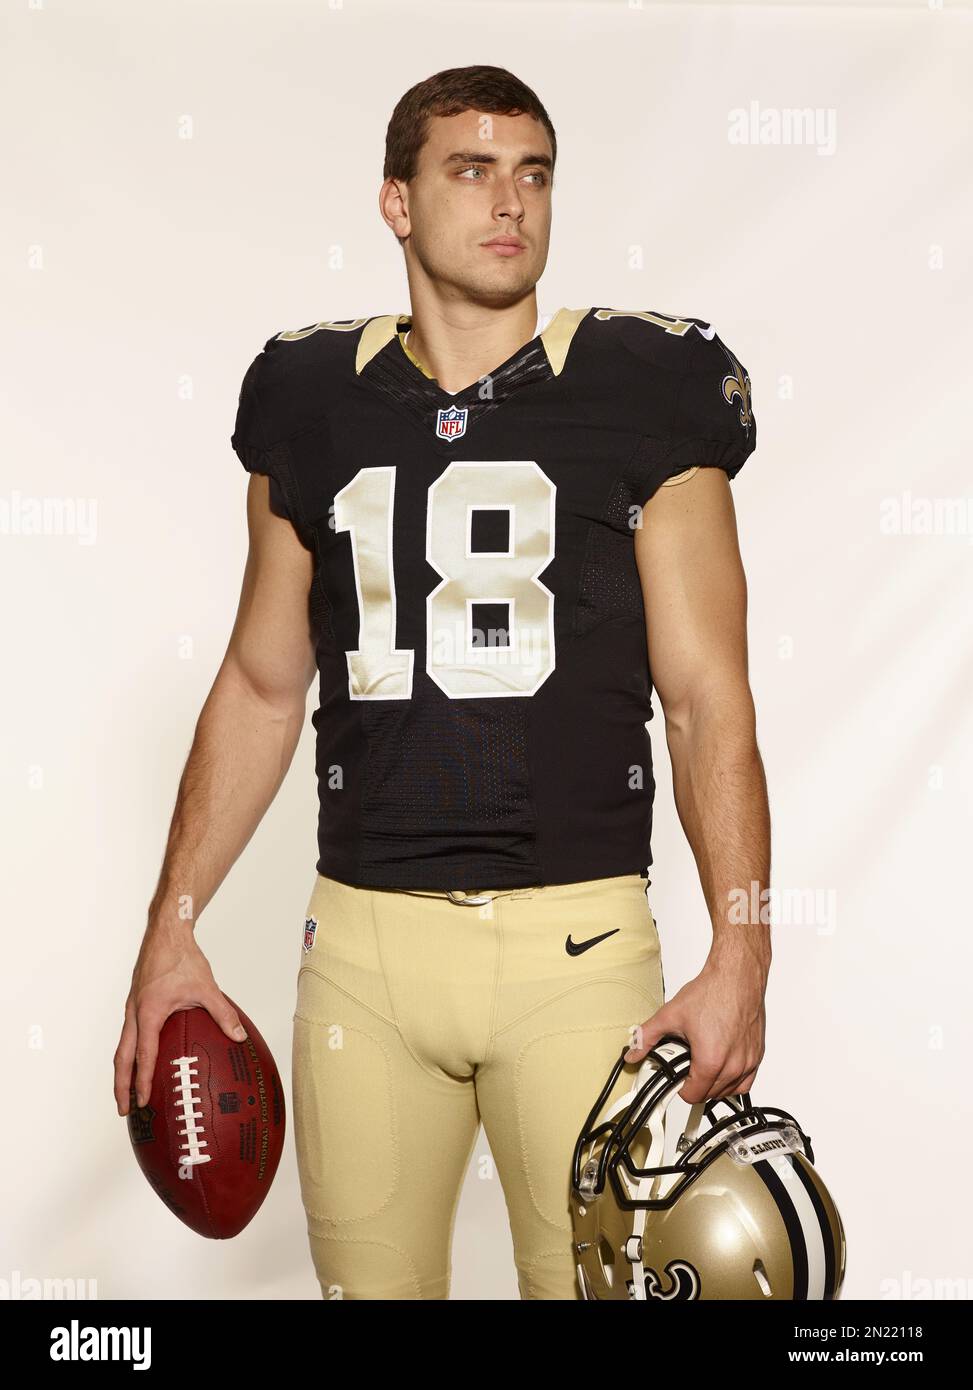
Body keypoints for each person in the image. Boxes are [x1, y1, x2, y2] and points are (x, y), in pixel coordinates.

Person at [114, 65, 770, 1300]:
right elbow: (261, 686)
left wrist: (745, 953)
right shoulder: (313, 401)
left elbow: (706, 701)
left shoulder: (640, 391)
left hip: (577, 954)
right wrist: (173, 929)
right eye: (470, 170)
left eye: (532, 173)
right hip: (363, 950)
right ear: (396, 203)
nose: (508, 200)